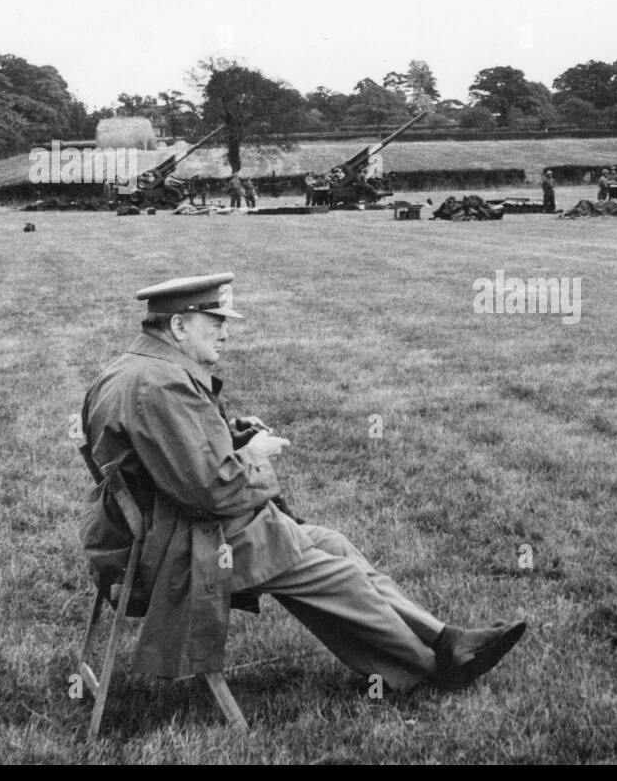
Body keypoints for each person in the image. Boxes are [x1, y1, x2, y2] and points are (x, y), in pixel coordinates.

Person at [79, 273, 526, 694]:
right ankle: (435, 671)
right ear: (178, 325)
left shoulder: (137, 367)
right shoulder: (161, 385)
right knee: (336, 573)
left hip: (172, 529)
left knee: (331, 543)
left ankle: (448, 640)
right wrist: (254, 455)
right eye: (215, 322)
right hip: (182, 547)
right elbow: (213, 490)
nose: (225, 333)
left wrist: (231, 434)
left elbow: (166, 452)